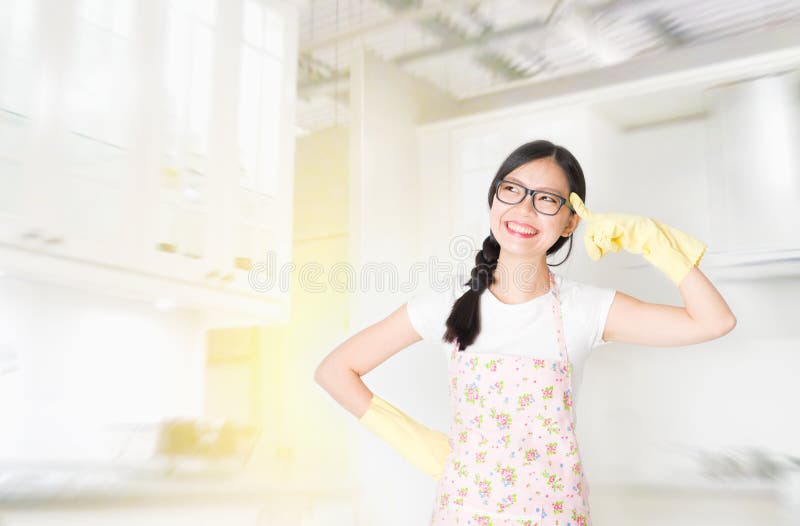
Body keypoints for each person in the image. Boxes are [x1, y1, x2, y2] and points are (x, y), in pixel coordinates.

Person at [314, 139, 737, 525]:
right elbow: (335, 370)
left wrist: (652, 242)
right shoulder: (444, 306)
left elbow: (713, 321)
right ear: (494, 198)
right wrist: (420, 445)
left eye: (547, 200)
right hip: (464, 512)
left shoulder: (586, 309)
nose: (525, 209)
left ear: (570, 222)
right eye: (512, 190)